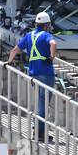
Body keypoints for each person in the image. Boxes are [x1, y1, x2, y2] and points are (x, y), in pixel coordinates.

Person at [9, 12, 57, 140]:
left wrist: (9, 62)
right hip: (46, 73)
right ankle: (39, 133)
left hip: (33, 73)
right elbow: (53, 43)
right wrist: (51, 57)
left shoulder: (29, 35)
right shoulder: (46, 35)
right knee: (43, 104)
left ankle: (38, 130)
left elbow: (15, 50)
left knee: (40, 101)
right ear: (47, 25)